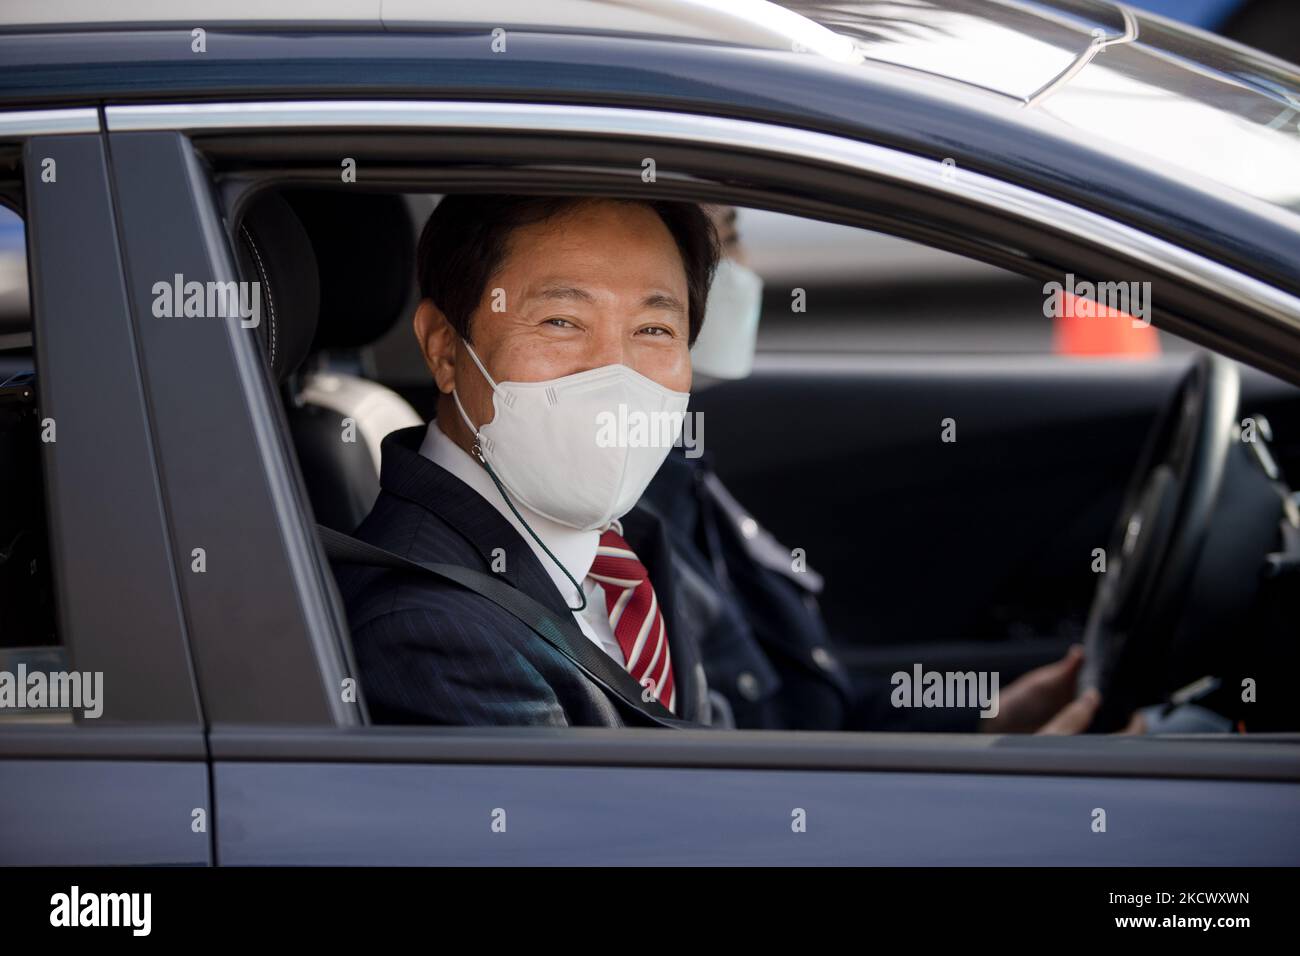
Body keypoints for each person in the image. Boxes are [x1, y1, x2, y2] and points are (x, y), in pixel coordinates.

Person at [340, 193, 1106, 732]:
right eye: (562, 320)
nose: (616, 377)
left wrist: (988, 733)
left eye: (652, 331)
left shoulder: (616, 545)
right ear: (445, 347)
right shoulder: (434, 632)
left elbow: (744, 754)